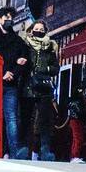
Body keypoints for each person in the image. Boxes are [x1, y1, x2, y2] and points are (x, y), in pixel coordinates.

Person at [0, 6, 31, 158]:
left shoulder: (17, 40)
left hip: (11, 84)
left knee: (11, 117)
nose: (9, 20)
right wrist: (2, 73)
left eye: (11, 18)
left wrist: (12, 73)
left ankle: (14, 151)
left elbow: (24, 61)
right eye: (6, 17)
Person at [22, 20, 61, 160]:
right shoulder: (25, 45)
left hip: (44, 89)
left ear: (45, 31)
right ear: (31, 30)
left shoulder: (50, 47)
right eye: (36, 28)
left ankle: (43, 150)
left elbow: (56, 68)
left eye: (41, 29)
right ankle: (25, 149)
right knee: (27, 119)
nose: (38, 31)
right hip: (28, 87)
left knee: (44, 121)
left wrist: (44, 69)